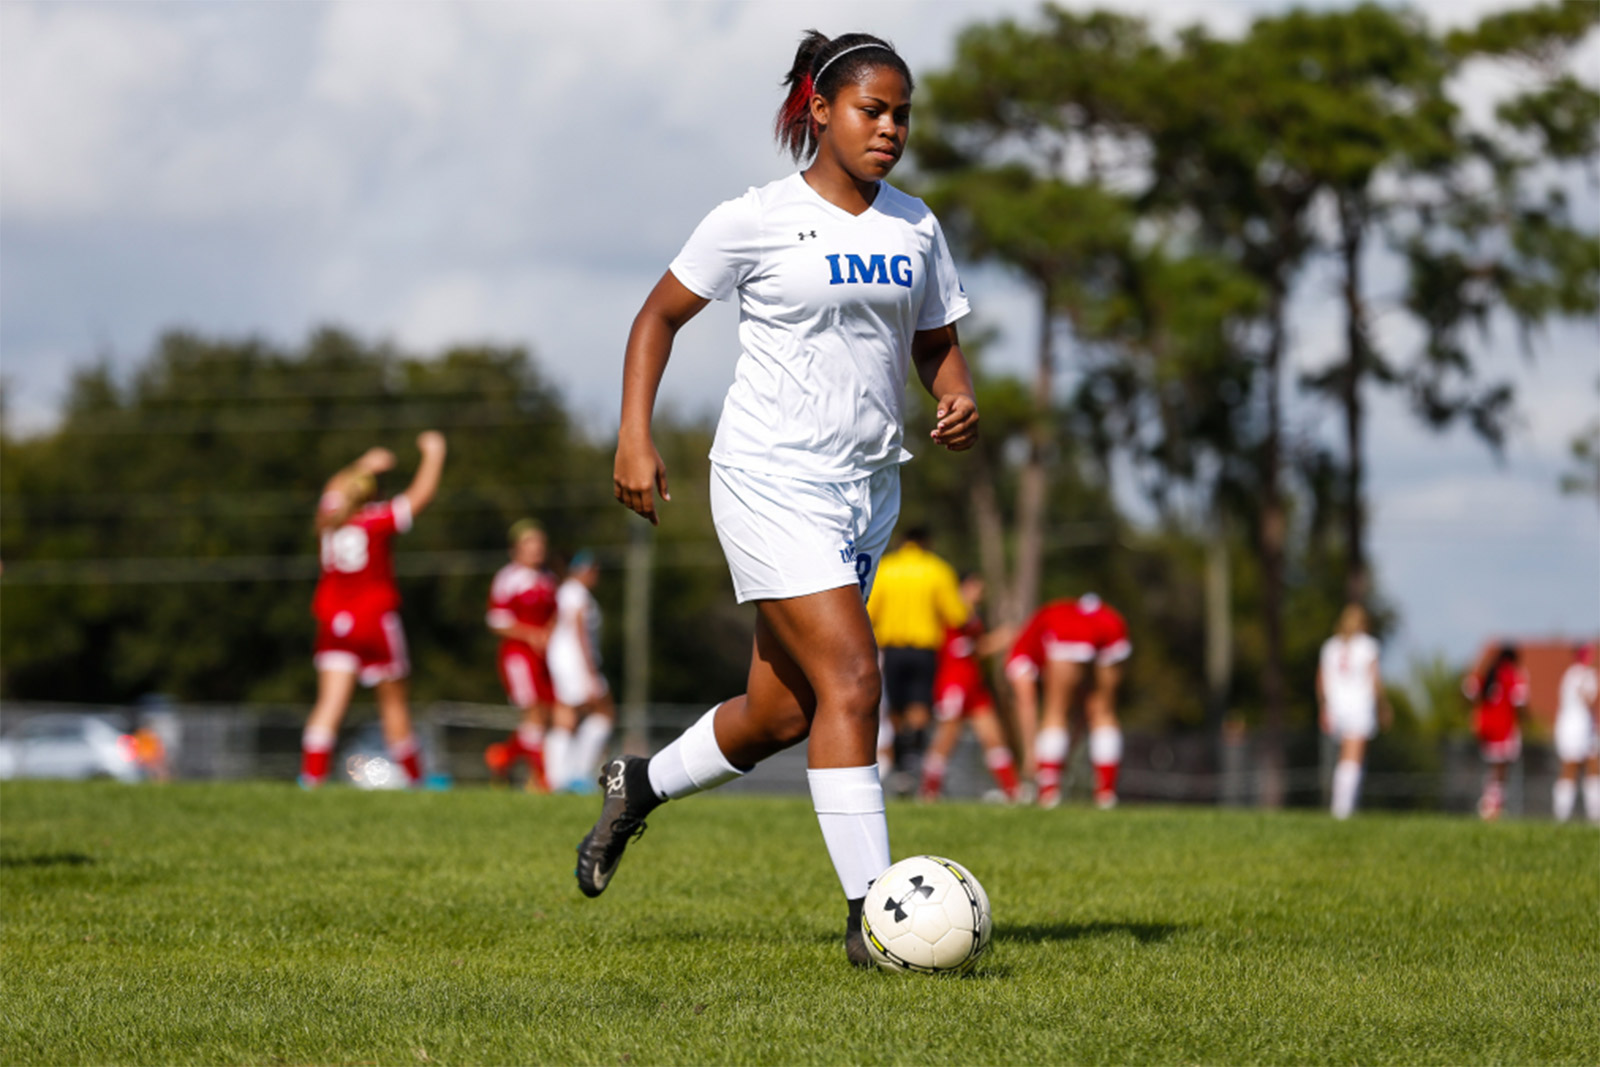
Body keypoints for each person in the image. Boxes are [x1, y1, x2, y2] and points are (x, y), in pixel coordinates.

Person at [575, 30, 978, 969]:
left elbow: (934, 344)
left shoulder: (915, 225)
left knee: (784, 713)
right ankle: (874, 916)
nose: (890, 129)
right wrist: (634, 434)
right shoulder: (751, 219)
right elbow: (657, 317)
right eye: (873, 110)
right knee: (853, 677)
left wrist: (954, 396)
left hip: (866, 489)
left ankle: (639, 783)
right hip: (768, 477)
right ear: (821, 111)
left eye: (902, 114)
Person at [300, 432, 446, 788]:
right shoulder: (375, 520)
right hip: (374, 619)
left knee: (330, 703)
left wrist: (361, 463)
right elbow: (420, 496)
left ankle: (310, 778)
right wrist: (434, 453)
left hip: (334, 621)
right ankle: (416, 780)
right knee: (393, 705)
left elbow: (333, 488)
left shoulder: (329, 521)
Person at [866, 525, 968, 791]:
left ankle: (901, 765)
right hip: (924, 649)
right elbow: (957, 615)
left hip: (893, 649)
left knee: (897, 707)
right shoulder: (937, 569)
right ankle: (913, 759)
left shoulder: (885, 568)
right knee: (920, 704)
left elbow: (870, 610)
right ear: (927, 542)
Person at [1005, 594, 1131, 808]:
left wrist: (1030, 754)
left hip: (1067, 629)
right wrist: (1070, 746)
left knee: (1055, 712)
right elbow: (1086, 710)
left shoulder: (1019, 656)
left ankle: (1049, 793)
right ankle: (1106, 795)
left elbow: (1026, 703)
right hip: (1110, 621)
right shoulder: (1050, 618)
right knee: (1104, 711)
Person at [918, 573, 1019, 803]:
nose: (980, 593)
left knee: (993, 736)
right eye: (976, 587)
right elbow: (965, 648)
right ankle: (929, 790)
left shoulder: (973, 617)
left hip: (974, 684)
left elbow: (975, 649)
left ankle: (1013, 791)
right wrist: (999, 640)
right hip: (954, 683)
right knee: (947, 736)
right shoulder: (951, 613)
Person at [487, 519, 560, 792]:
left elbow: (555, 615)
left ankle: (503, 755)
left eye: (540, 543)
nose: (537, 549)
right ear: (516, 548)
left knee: (545, 713)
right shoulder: (509, 578)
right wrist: (531, 635)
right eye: (530, 543)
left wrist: (549, 633)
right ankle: (540, 777)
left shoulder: (548, 579)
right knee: (533, 714)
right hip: (518, 656)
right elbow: (497, 621)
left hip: (543, 656)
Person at [545, 550, 615, 791]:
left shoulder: (566, 591)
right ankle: (574, 773)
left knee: (567, 716)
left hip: (563, 659)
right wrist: (590, 671)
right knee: (602, 713)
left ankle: (561, 775)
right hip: (574, 661)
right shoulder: (577, 594)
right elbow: (580, 633)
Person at [1316, 604, 1387, 819]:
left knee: (1345, 759)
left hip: (1336, 707)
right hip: (1359, 707)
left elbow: (1320, 680)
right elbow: (1374, 679)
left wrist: (1323, 707)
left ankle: (1346, 807)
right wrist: (1383, 705)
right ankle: (1342, 810)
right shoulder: (1367, 646)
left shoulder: (1330, 647)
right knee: (1352, 760)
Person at [1464, 644, 1528, 821]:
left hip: (1487, 729)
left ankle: (1492, 804)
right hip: (1504, 729)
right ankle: (1491, 804)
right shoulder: (1513, 675)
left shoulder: (1488, 673)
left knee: (1494, 770)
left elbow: (1469, 690)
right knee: (1500, 770)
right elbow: (1520, 702)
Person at [1552, 642, 1599, 824]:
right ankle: (1586, 816)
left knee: (1584, 769)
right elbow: (1589, 700)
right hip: (1578, 728)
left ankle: (1564, 815)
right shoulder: (1586, 675)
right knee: (1579, 769)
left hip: (1571, 727)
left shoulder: (1569, 675)